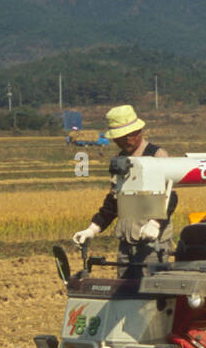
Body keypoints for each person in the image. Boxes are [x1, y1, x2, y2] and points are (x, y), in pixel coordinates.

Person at [72, 105, 175, 275]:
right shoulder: (120, 160)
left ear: (138, 132)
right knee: (124, 293)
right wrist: (93, 228)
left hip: (152, 246)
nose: (124, 142)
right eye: (119, 139)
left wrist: (155, 223)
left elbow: (170, 197)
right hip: (126, 245)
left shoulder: (156, 156)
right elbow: (114, 202)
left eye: (127, 137)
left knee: (148, 296)